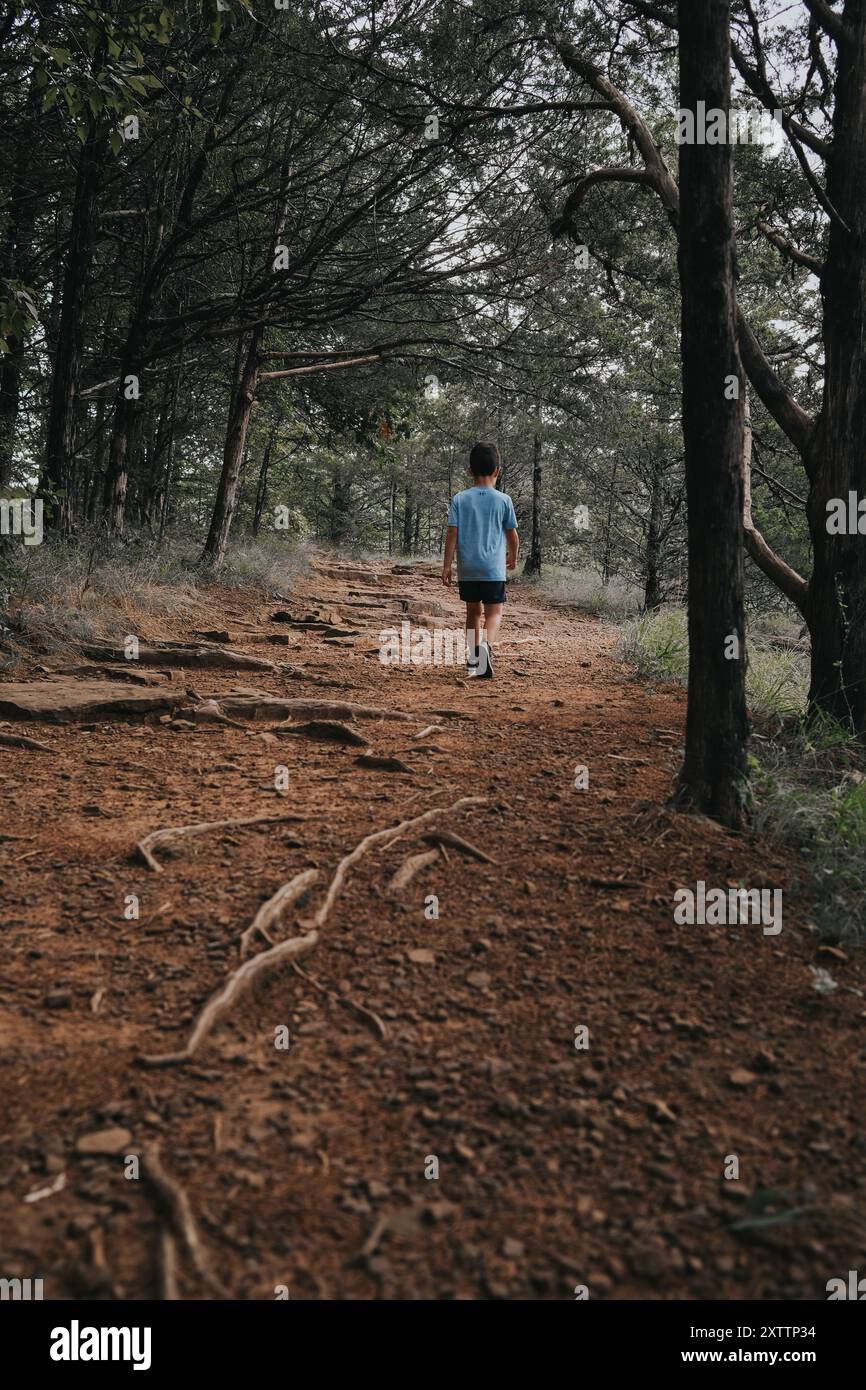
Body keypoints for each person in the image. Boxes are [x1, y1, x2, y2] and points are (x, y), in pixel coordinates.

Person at [442, 440, 519, 679]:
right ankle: (487, 646)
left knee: (472, 612)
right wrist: (513, 557)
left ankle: (474, 658)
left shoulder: (460, 499)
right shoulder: (503, 500)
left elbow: (452, 533)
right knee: (494, 612)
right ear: (498, 471)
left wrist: (447, 566)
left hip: (469, 569)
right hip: (493, 569)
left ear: (470, 471)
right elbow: (512, 535)